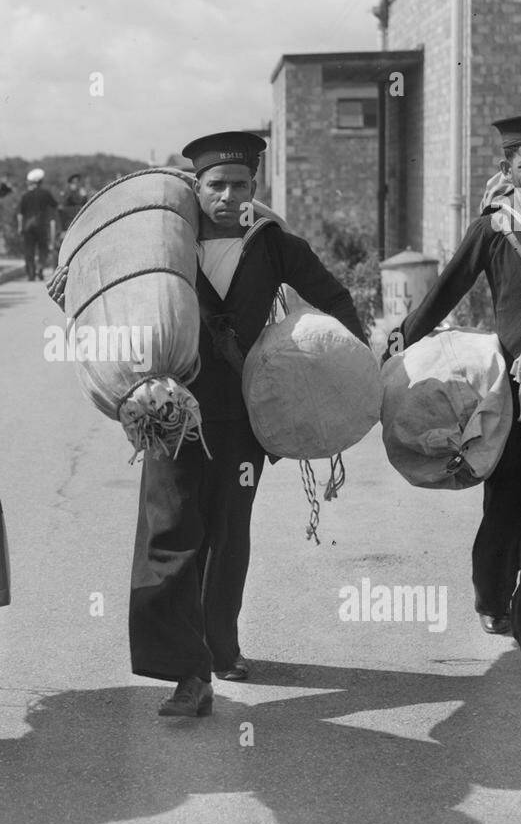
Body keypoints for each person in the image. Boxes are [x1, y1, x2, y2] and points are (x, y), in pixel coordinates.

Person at [129, 131, 367, 717]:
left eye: (240, 184)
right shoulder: (168, 240)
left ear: (254, 188)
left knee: (228, 530)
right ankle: (186, 671)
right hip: (172, 413)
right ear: (197, 187)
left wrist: (348, 365)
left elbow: (335, 300)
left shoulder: (273, 245)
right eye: (217, 185)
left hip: (243, 417)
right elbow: (111, 290)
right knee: (171, 531)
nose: (229, 195)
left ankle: (220, 643)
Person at [387, 112, 521, 686]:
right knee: (508, 504)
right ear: (506, 169)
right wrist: (398, 342)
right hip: (510, 392)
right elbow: (446, 290)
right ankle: (492, 595)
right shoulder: (494, 227)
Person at [17, 167, 57, 281]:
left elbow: (20, 213)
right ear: (41, 182)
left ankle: (30, 273)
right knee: (42, 248)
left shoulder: (25, 195)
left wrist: (20, 227)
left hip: (28, 227)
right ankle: (40, 267)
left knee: (29, 250)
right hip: (41, 225)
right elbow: (55, 206)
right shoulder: (45, 194)